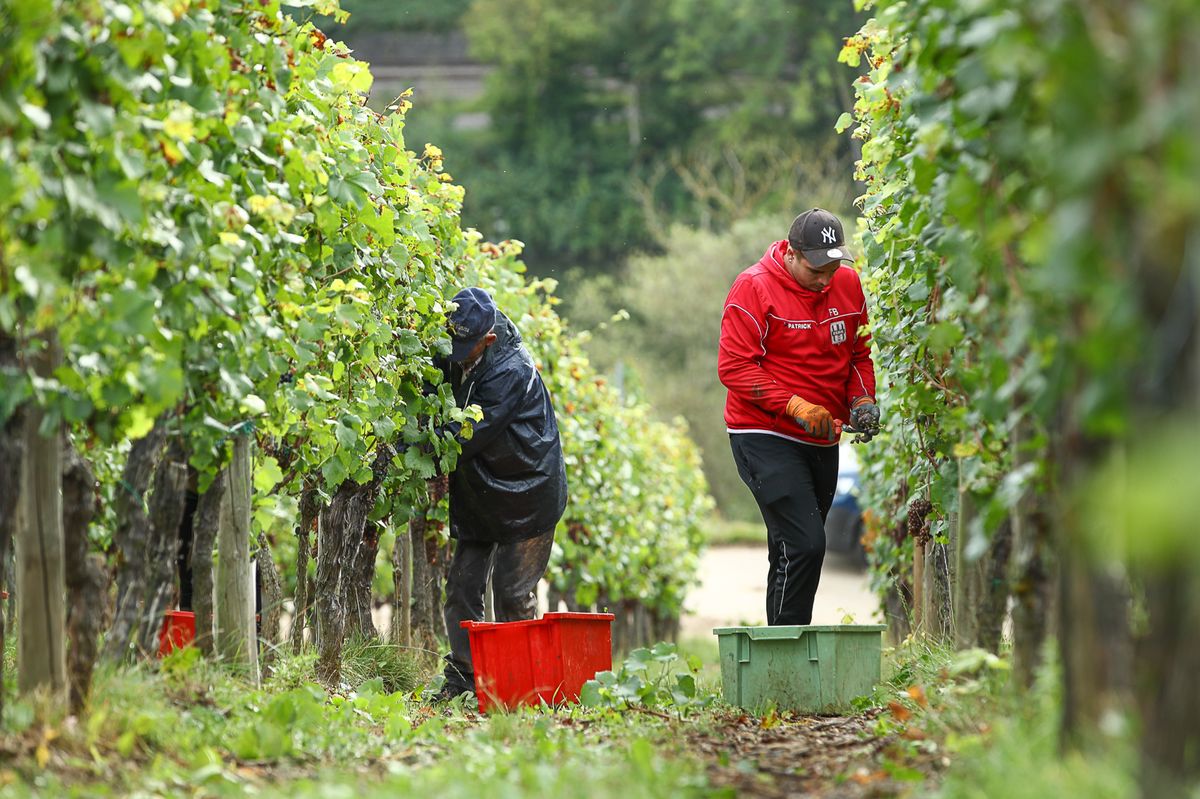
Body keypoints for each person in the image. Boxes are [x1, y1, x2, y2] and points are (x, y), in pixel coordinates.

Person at [717, 208, 879, 627]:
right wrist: (796, 406)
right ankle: (790, 652)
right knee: (807, 545)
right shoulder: (753, 288)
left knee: (790, 549)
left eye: (833, 266)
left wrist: (862, 401)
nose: (826, 278)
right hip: (763, 433)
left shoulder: (847, 284)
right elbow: (734, 368)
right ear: (790, 254)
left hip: (821, 439)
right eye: (816, 268)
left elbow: (859, 355)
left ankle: (777, 664)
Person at [433, 287, 568, 701]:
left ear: (487, 340)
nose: (453, 356)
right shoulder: (456, 347)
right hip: (481, 492)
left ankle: (516, 688)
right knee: (461, 587)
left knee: (512, 593)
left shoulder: (512, 370)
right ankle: (464, 680)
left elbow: (464, 436)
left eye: (463, 349)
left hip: (528, 492)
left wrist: (415, 447)